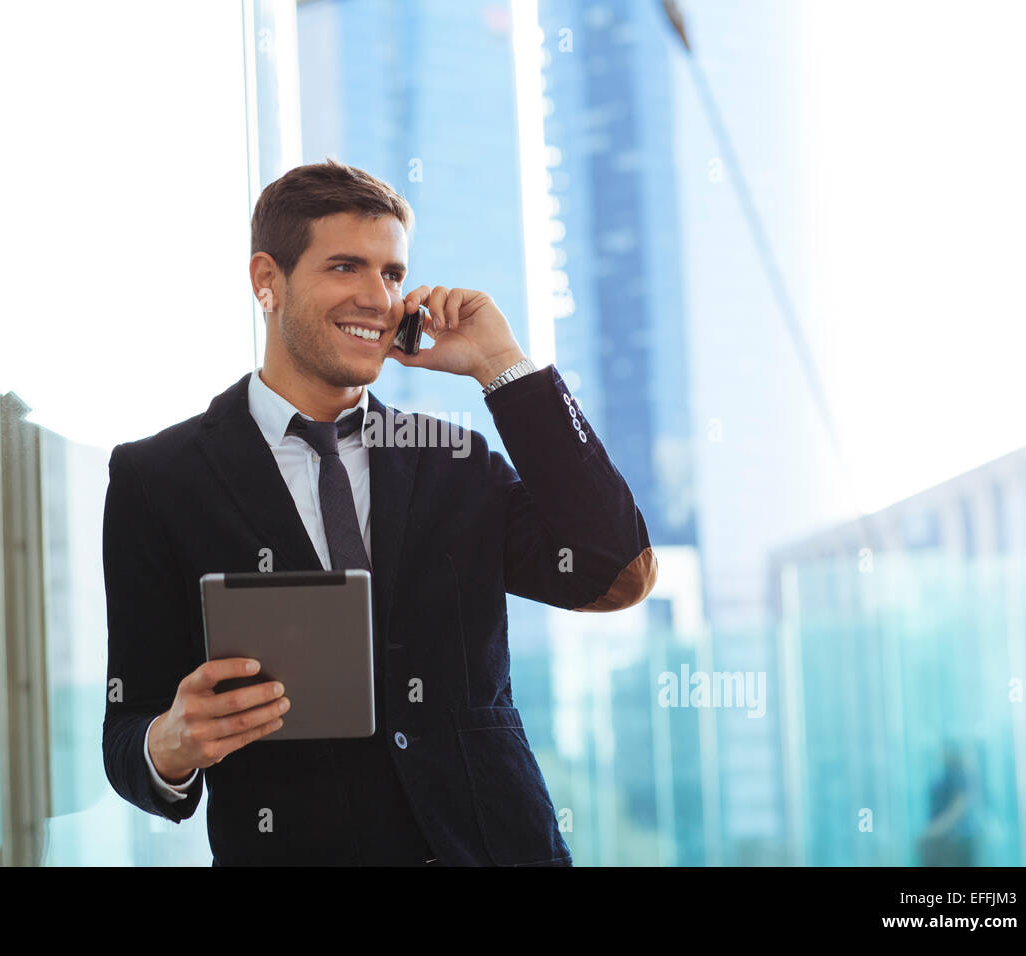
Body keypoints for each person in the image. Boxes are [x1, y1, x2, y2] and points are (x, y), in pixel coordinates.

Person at [101, 158, 658, 866]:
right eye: (345, 267)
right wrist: (172, 742)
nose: (378, 297)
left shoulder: (449, 459)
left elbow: (614, 572)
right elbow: (129, 730)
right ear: (266, 281)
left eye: (392, 274)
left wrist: (503, 368)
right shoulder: (159, 478)